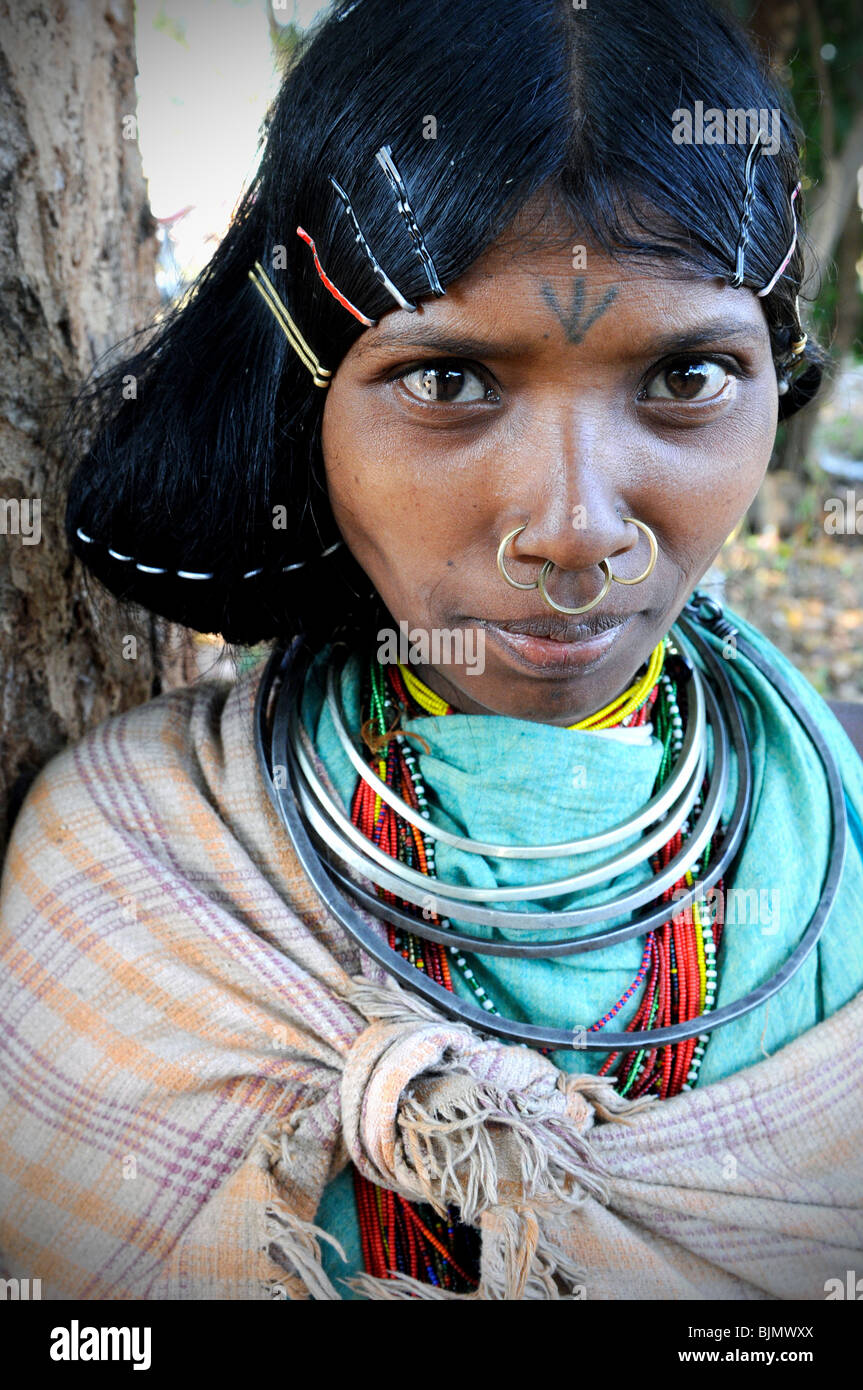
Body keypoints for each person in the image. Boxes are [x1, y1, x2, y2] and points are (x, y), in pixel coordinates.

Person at [1, 0, 861, 1302]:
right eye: (451, 382)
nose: (573, 530)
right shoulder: (131, 866)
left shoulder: (839, 850)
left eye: (686, 378)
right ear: (309, 395)